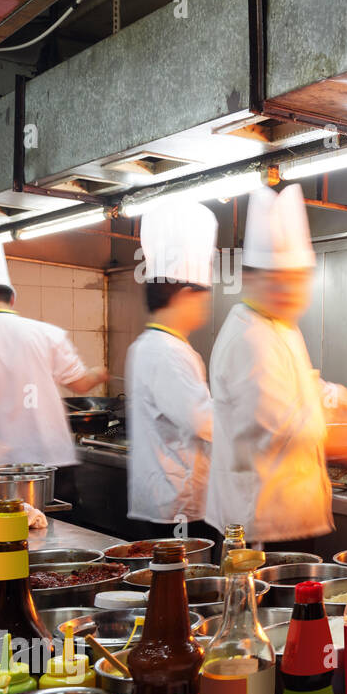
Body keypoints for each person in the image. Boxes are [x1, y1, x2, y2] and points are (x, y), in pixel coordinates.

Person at [205, 184, 347, 548]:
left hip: (290, 520)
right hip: (260, 529)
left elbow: (307, 389)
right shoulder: (249, 338)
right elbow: (284, 430)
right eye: (278, 281)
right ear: (251, 279)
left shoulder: (280, 326)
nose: (290, 292)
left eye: (297, 280)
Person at [125, 200, 219, 541]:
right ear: (184, 294)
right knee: (182, 588)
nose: (206, 304)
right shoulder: (167, 351)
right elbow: (203, 421)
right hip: (176, 505)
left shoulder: (148, 345)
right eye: (203, 295)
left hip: (167, 498)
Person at [0, 235, 109, 467]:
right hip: (48, 463)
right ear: (11, 298)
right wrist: (100, 373)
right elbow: (80, 384)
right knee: (52, 505)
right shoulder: (46, 334)